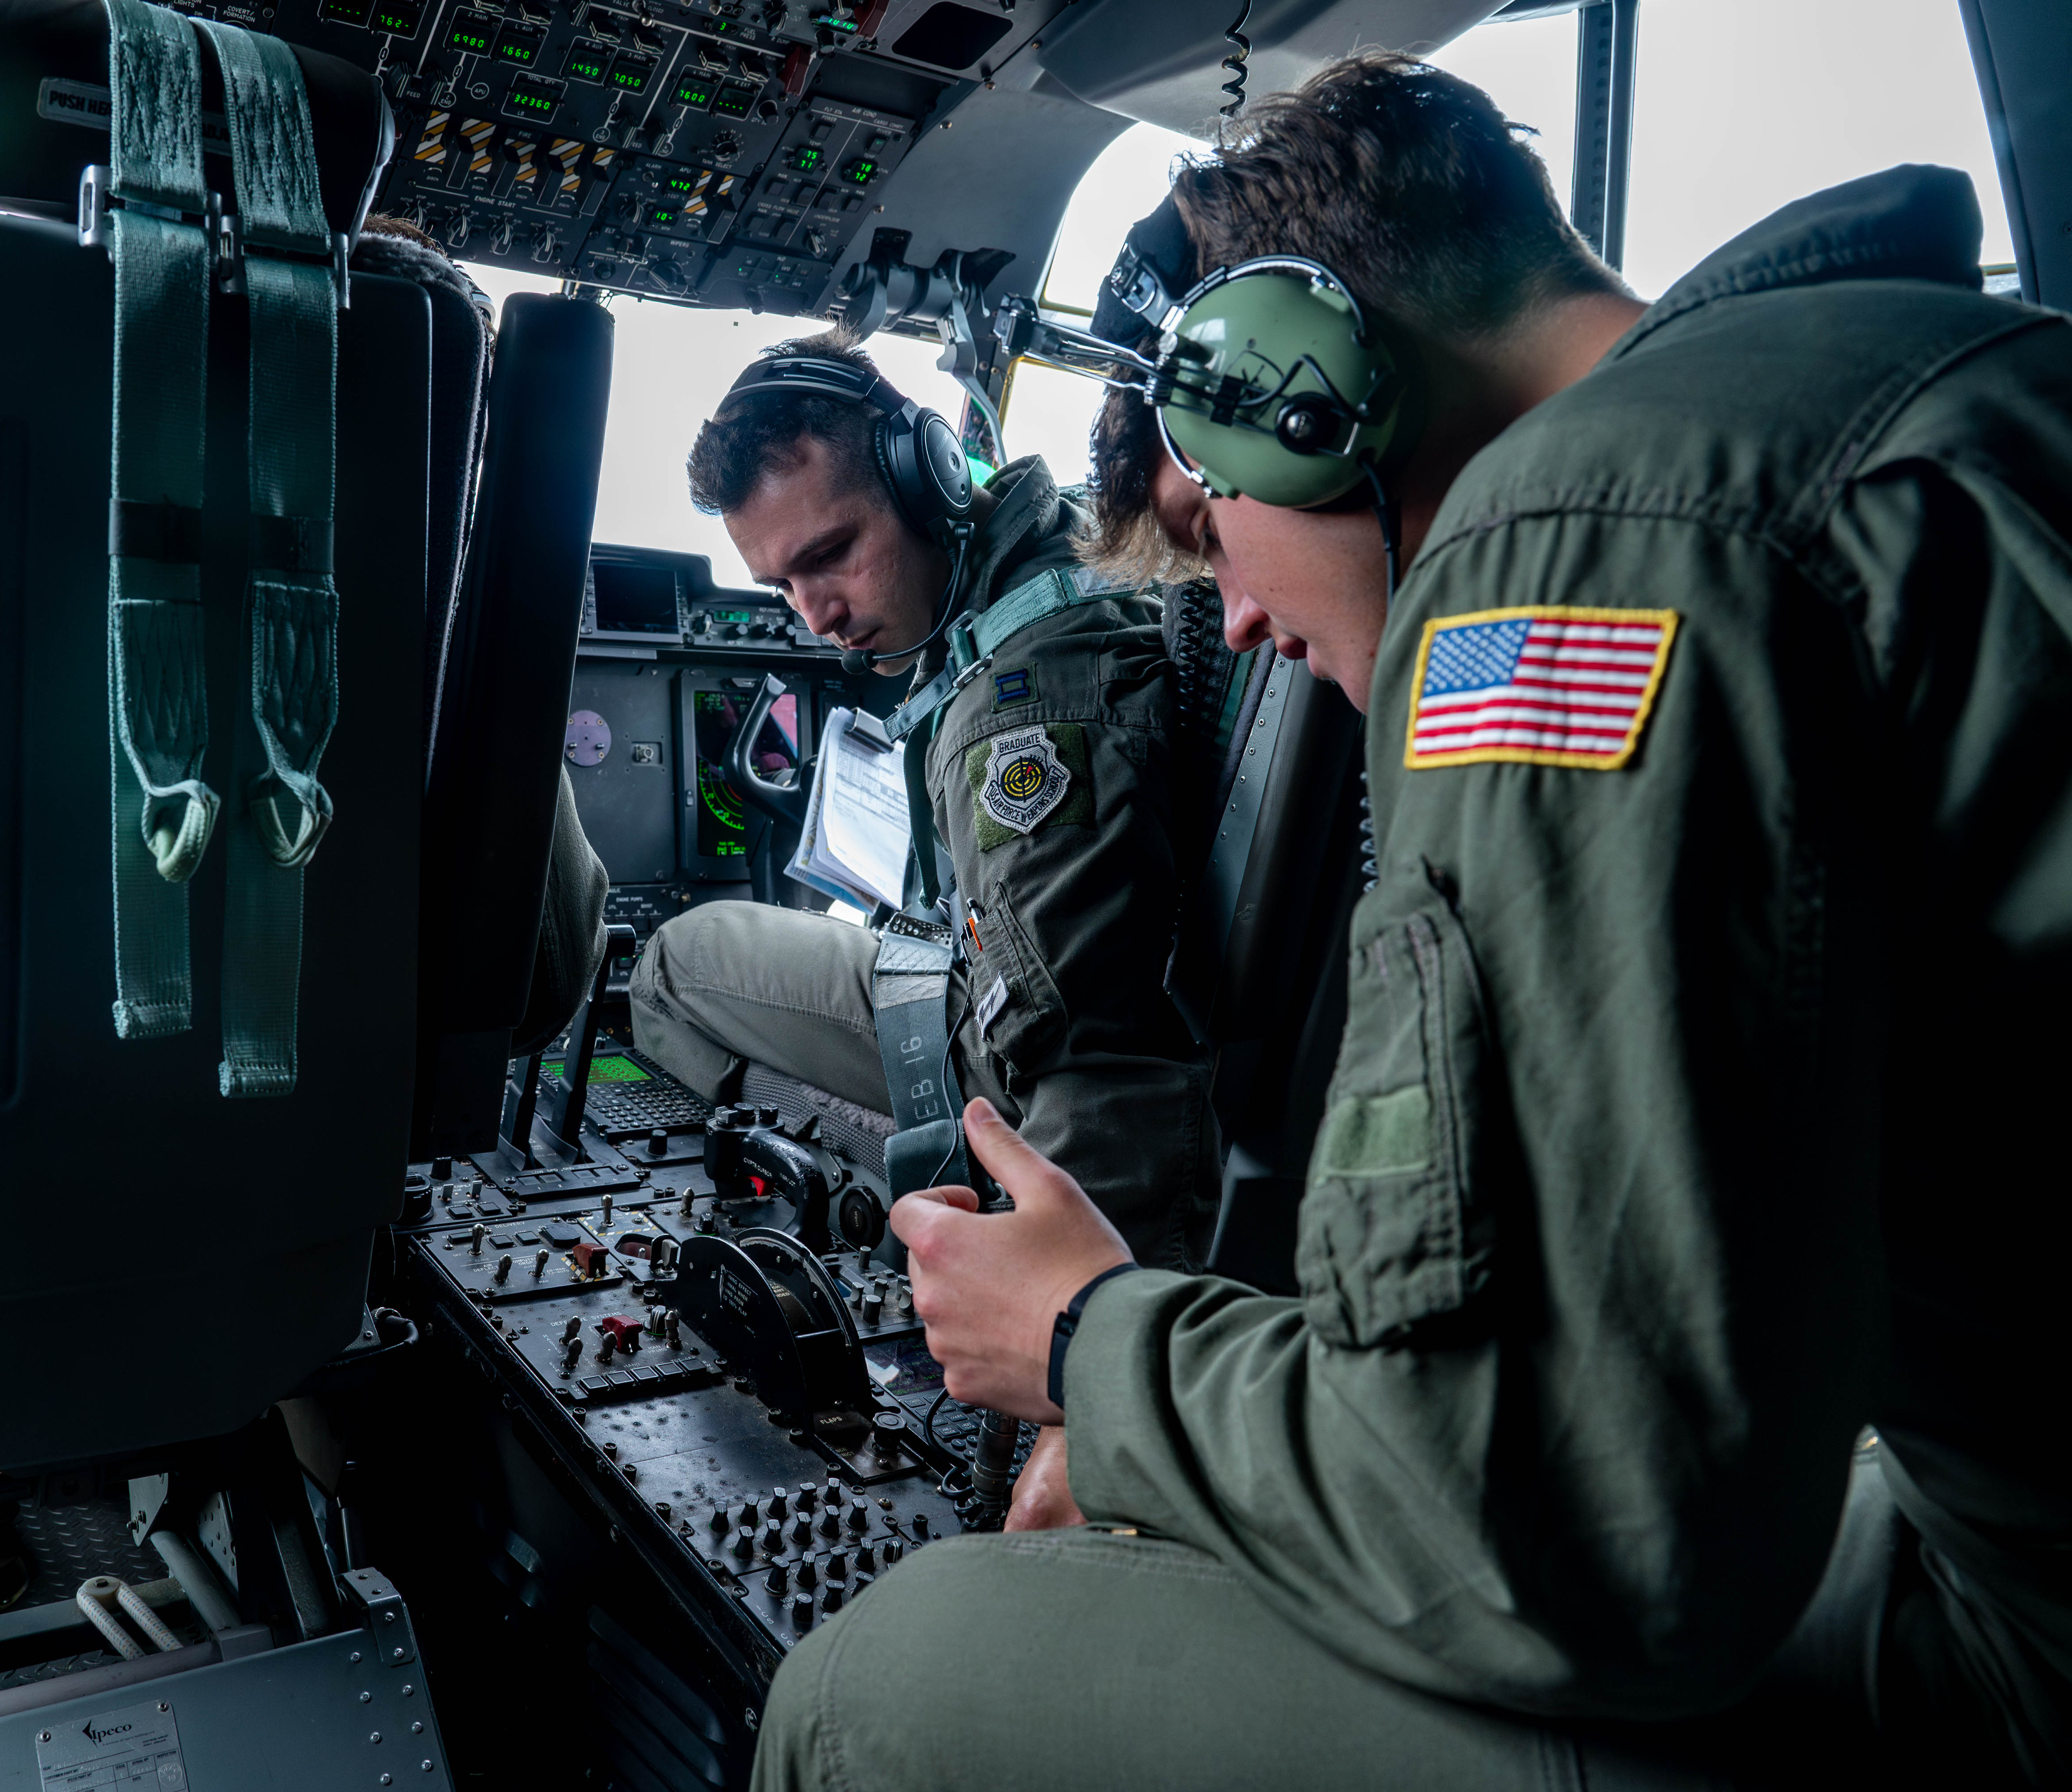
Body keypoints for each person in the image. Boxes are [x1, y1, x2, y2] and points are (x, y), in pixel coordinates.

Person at [754, 53, 2072, 1790]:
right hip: (1999, 1525)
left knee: (870, 1684)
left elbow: (1590, 1542)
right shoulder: (1943, 385)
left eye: (1208, 524)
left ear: (1305, 394)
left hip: (2019, 1682)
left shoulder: (1576, 559)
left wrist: (1086, 1341)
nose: (1233, 617)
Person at [629, 335, 1224, 1518]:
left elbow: (1102, 1076)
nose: (817, 615)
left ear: (931, 477)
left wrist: (1064, 1421)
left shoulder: (1025, 711)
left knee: (671, 966)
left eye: (831, 556)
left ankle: (875, 1199)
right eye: (782, 585)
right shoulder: (1055, 558)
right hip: (983, 980)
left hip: (1001, 1041)